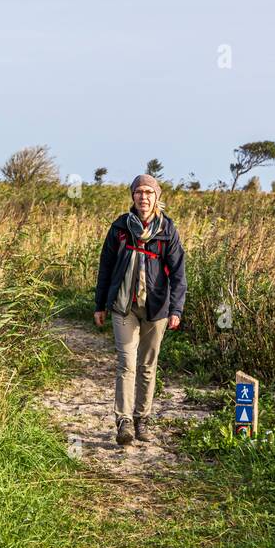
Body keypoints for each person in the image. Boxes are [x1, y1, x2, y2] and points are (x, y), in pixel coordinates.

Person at [93, 174, 187, 446]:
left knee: (147, 365)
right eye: (139, 192)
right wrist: (100, 305)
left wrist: (176, 309)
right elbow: (106, 268)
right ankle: (123, 422)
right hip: (124, 305)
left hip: (157, 306)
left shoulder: (167, 230)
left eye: (149, 192)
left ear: (157, 197)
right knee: (126, 363)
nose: (143, 197)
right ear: (132, 196)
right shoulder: (120, 228)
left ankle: (141, 418)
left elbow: (179, 273)